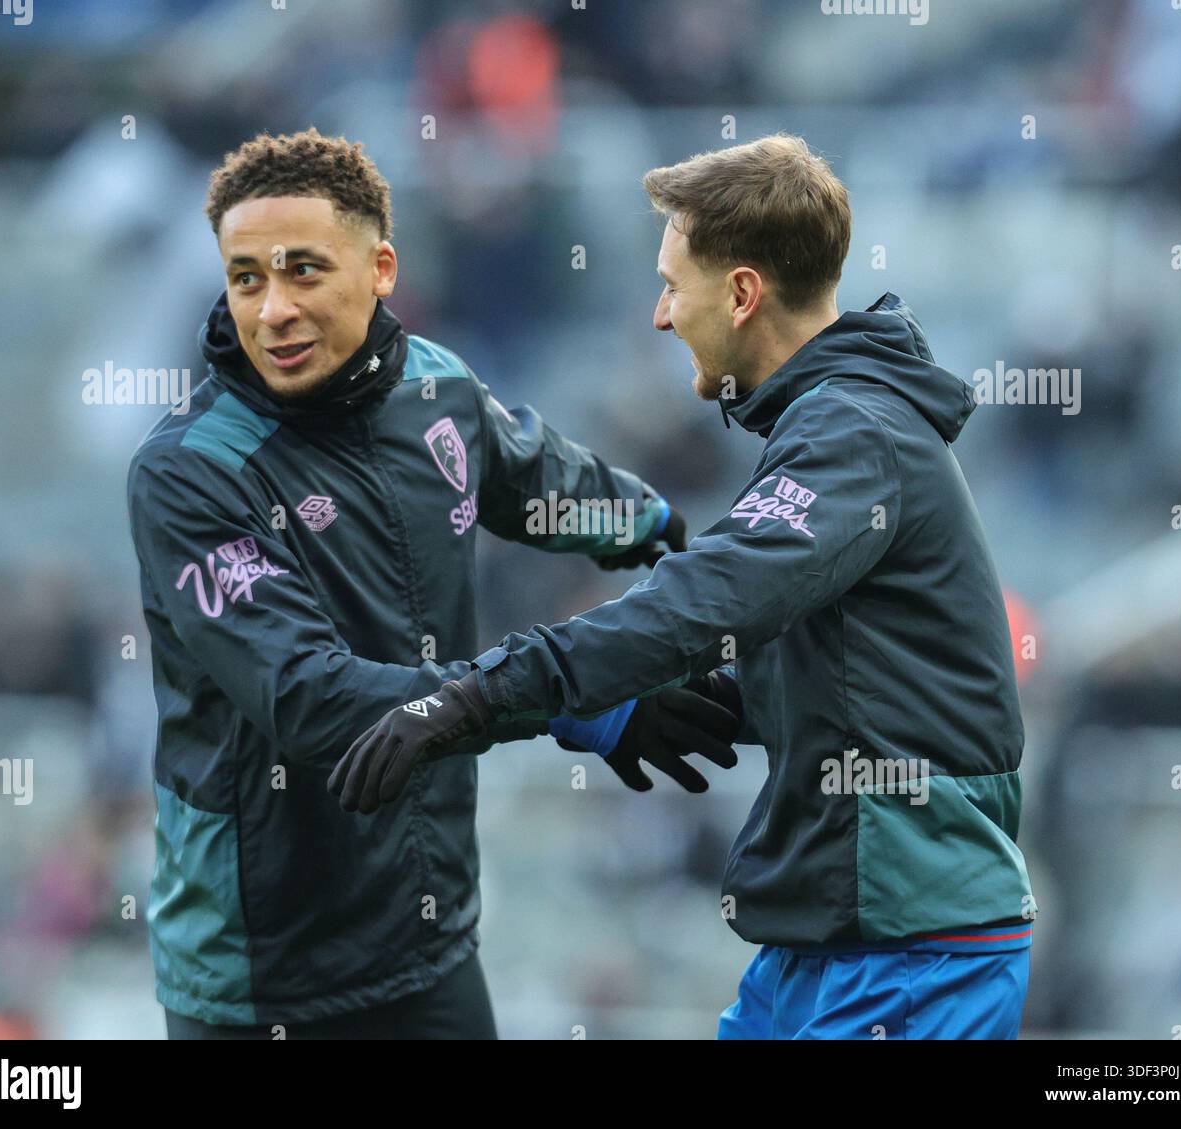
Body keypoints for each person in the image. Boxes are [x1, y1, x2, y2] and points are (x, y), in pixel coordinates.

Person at [331, 133, 1039, 1040]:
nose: (661, 316)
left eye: (672, 285)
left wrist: (482, 692)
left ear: (742, 293)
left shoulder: (854, 433)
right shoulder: (831, 427)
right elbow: (827, 681)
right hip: (821, 949)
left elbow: (707, 601)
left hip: (911, 958)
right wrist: (589, 709)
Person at [126, 128, 739, 1040]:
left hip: (431, 937)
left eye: (304, 271)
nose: (272, 309)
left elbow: (553, 491)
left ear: (380, 268)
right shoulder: (189, 473)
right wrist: (574, 701)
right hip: (260, 978)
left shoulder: (437, 391)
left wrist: (684, 547)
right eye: (247, 276)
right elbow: (309, 697)